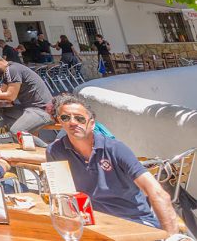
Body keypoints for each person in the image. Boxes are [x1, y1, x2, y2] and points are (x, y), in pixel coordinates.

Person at [47, 96, 179, 233]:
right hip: (94, 225)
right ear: (60, 122)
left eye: (79, 118)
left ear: (92, 124)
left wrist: (171, 237)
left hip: (133, 222)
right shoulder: (55, 151)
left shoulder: (115, 149)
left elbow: (157, 193)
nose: (72, 122)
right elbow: (62, 196)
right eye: (65, 118)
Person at [0, 50, 54, 145]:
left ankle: (49, 151)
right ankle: (24, 141)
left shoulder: (12, 70)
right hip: (29, 108)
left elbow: (10, 96)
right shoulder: (7, 70)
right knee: (0, 113)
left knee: (16, 131)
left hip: (42, 110)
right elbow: (2, 91)